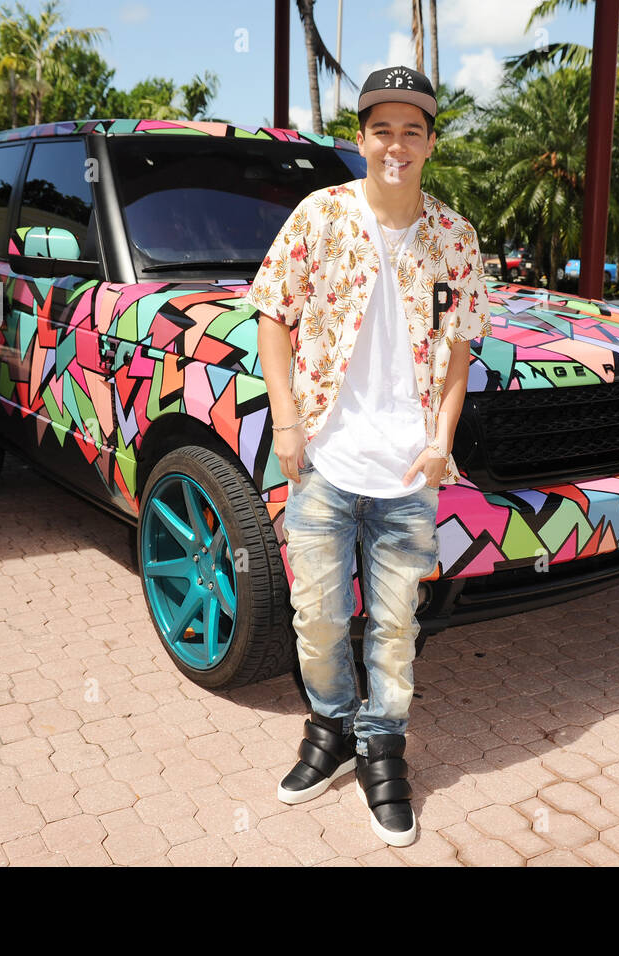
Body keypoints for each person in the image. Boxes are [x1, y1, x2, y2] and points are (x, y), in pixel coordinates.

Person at [245, 65, 492, 847]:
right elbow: (273, 317)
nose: (396, 143)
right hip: (325, 458)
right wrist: (287, 425)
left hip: (408, 470)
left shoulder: (456, 238)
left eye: (411, 130)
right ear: (361, 139)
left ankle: (383, 749)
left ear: (429, 143)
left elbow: (459, 354)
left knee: (393, 625)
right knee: (317, 618)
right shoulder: (319, 216)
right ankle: (328, 729)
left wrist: (441, 445)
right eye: (381, 128)